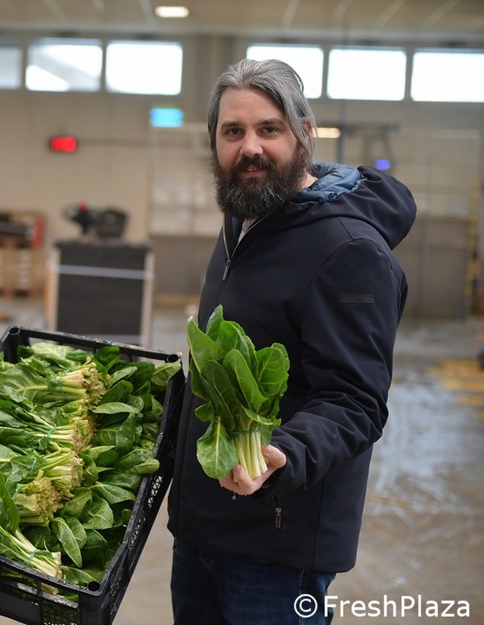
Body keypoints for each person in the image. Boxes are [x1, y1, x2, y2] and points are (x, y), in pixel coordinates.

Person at [166, 58, 416, 624]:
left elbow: (354, 401)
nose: (249, 148)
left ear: (304, 133)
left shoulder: (348, 250)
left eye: (268, 129)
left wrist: (284, 453)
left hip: (278, 548)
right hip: (206, 528)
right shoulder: (244, 226)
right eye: (233, 132)